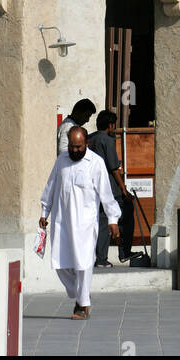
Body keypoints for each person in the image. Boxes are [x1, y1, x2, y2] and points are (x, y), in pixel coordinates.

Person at [39, 126, 120, 319]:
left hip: (85, 224)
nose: (75, 150)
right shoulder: (61, 161)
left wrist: (113, 219)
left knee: (83, 264)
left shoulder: (96, 163)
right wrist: (44, 212)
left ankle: (82, 306)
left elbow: (106, 194)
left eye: (79, 146)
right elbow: (50, 187)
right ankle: (81, 292)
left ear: (86, 144)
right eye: (72, 146)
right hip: (61, 222)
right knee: (60, 264)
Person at [88, 109, 135, 267]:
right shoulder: (106, 140)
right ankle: (121, 252)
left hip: (92, 187)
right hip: (108, 187)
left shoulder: (90, 138)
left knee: (99, 221)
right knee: (122, 214)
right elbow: (114, 168)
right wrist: (123, 189)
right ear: (110, 124)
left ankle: (101, 256)